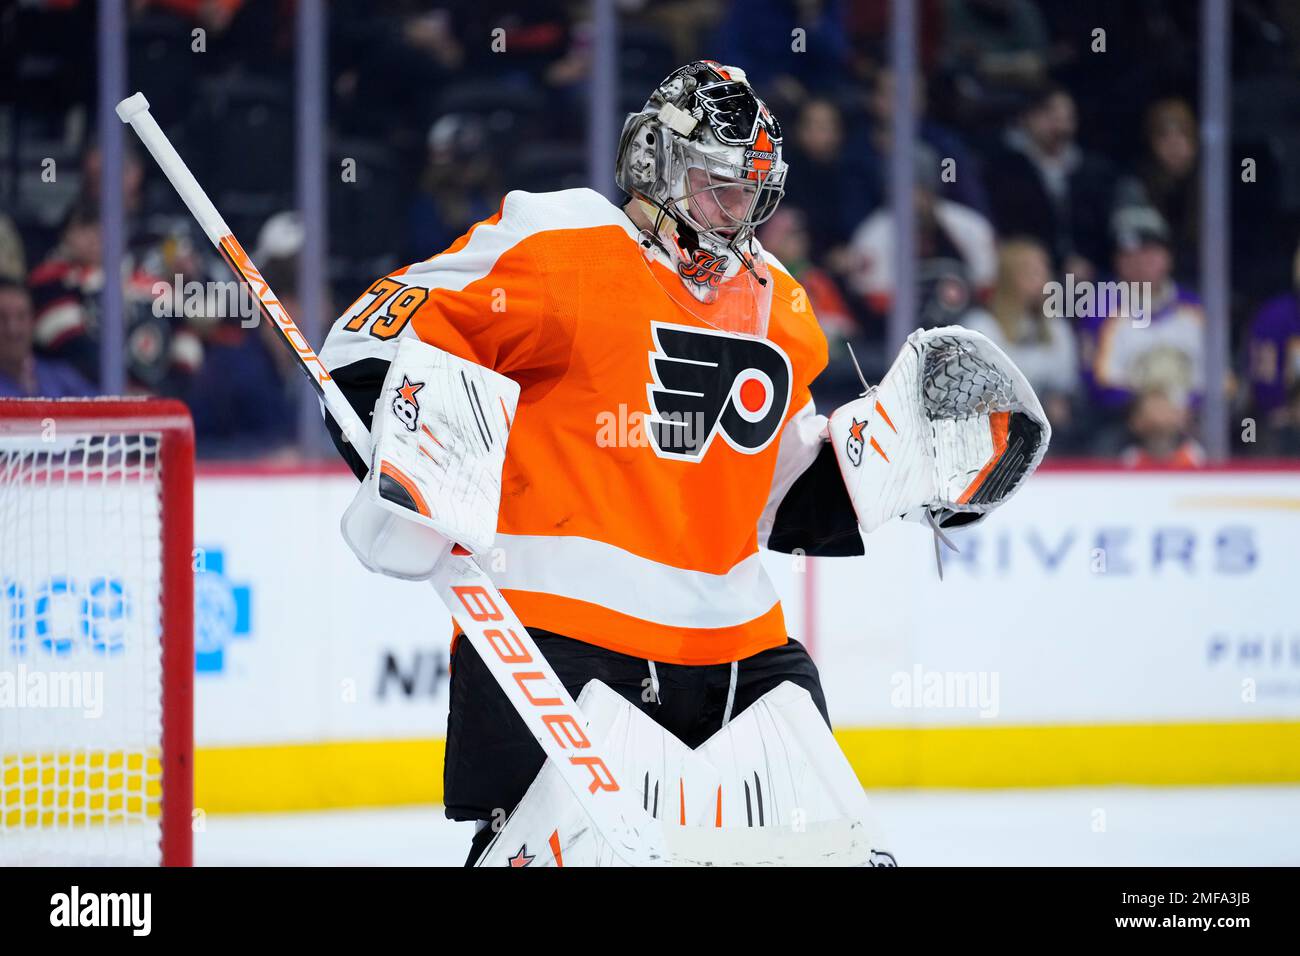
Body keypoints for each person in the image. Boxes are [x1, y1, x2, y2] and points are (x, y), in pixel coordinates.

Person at [319, 61, 1045, 866]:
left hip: (741, 651)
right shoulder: (560, 239)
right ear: (655, 163)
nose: (737, 214)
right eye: (718, 186)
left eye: (752, 194)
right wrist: (419, 445)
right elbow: (368, 338)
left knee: (835, 850)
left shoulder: (775, 300)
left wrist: (890, 467)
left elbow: (778, 493)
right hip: (561, 635)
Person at [963, 237, 1078, 439]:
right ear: (1008, 279)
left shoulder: (1057, 327)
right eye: (1031, 273)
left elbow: (1067, 383)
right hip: (992, 434)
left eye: (1044, 271)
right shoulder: (980, 327)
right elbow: (973, 394)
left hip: (1051, 434)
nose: (1042, 280)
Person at [0, 280, 94, 399]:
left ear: (32, 321)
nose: (13, 330)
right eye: (2, 318)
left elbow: (101, 408)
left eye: (21, 317)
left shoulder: (61, 377)